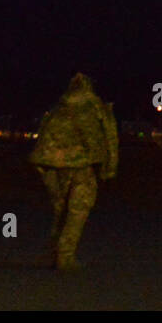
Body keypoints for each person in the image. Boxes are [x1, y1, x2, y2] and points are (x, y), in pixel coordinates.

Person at [28, 73, 118, 270]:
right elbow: (110, 138)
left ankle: (52, 253)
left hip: (52, 164)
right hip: (81, 164)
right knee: (78, 210)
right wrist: (109, 169)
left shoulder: (59, 108)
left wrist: (41, 164)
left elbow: (43, 134)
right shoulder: (96, 107)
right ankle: (65, 256)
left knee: (61, 210)